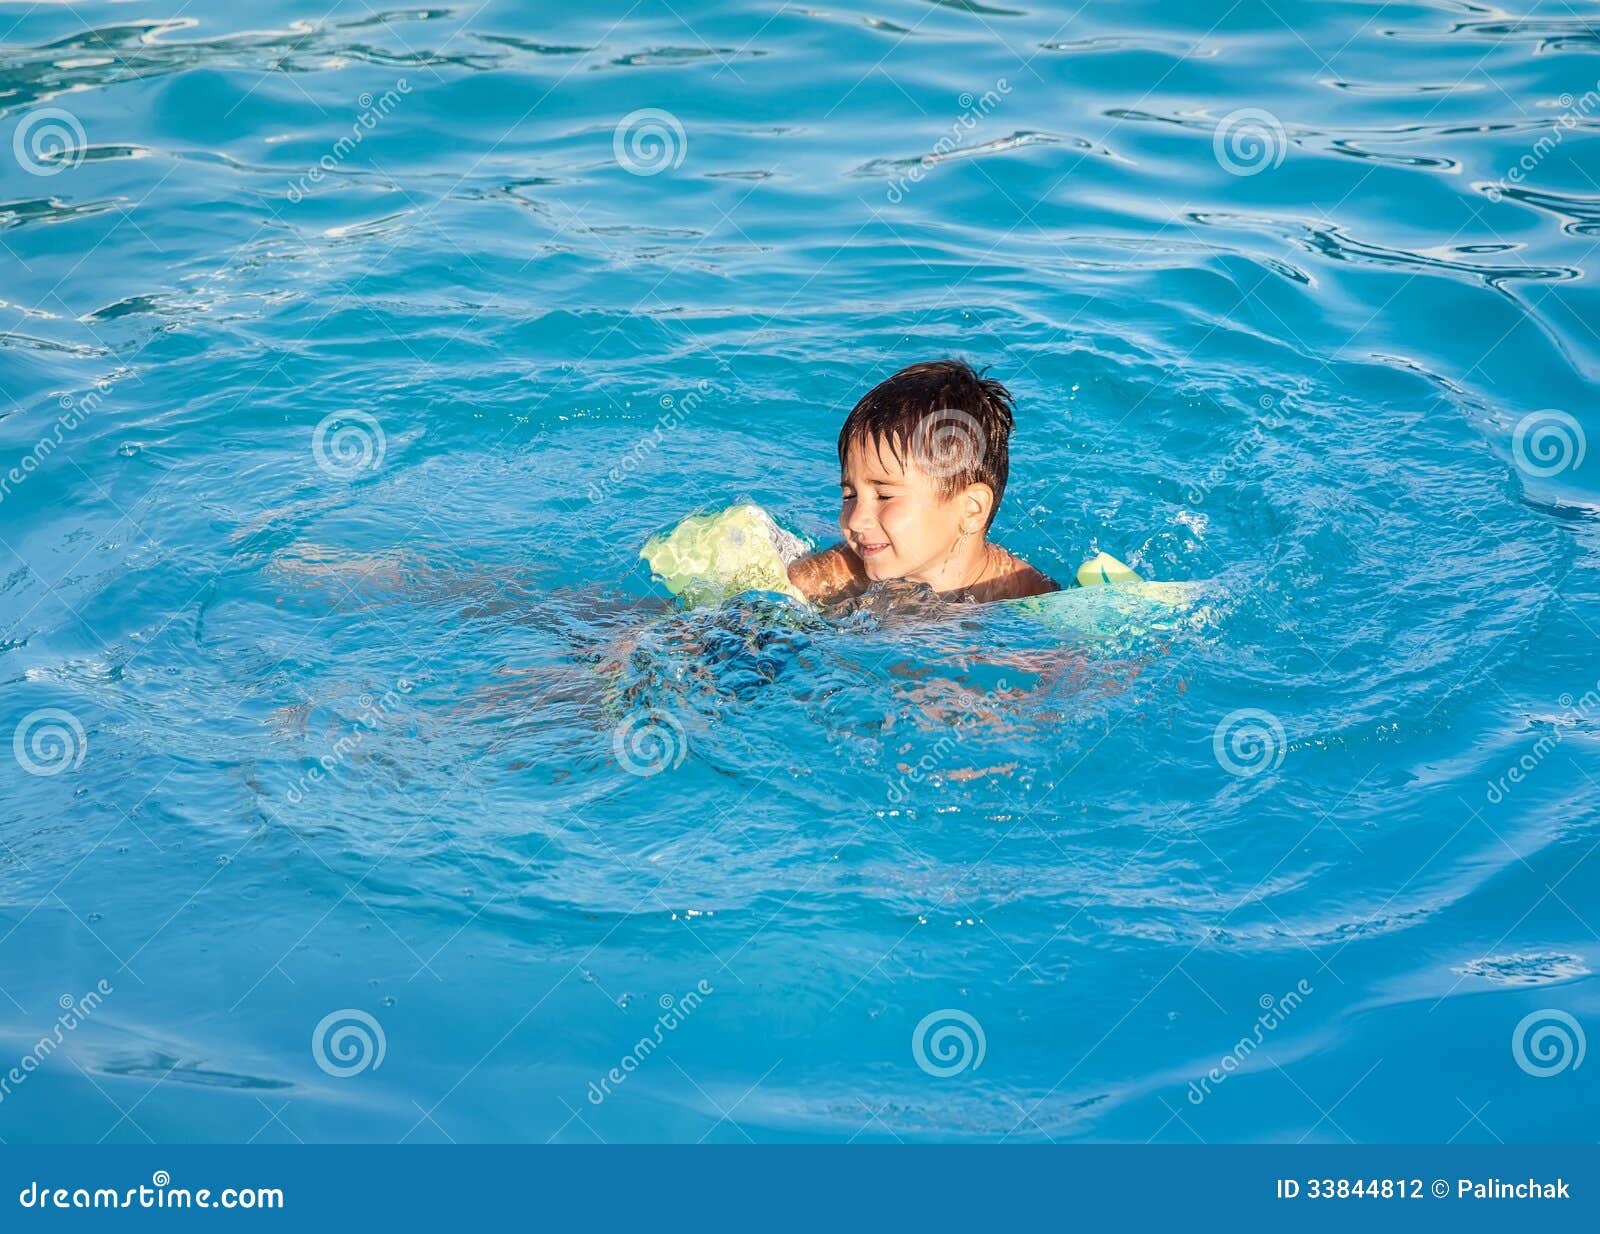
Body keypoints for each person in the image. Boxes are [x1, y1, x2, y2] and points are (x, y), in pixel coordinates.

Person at [787, 359, 1059, 605]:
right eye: (850, 495)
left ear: (971, 509)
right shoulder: (834, 579)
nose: (856, 521)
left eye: (884, 496)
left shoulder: (1027, 597)